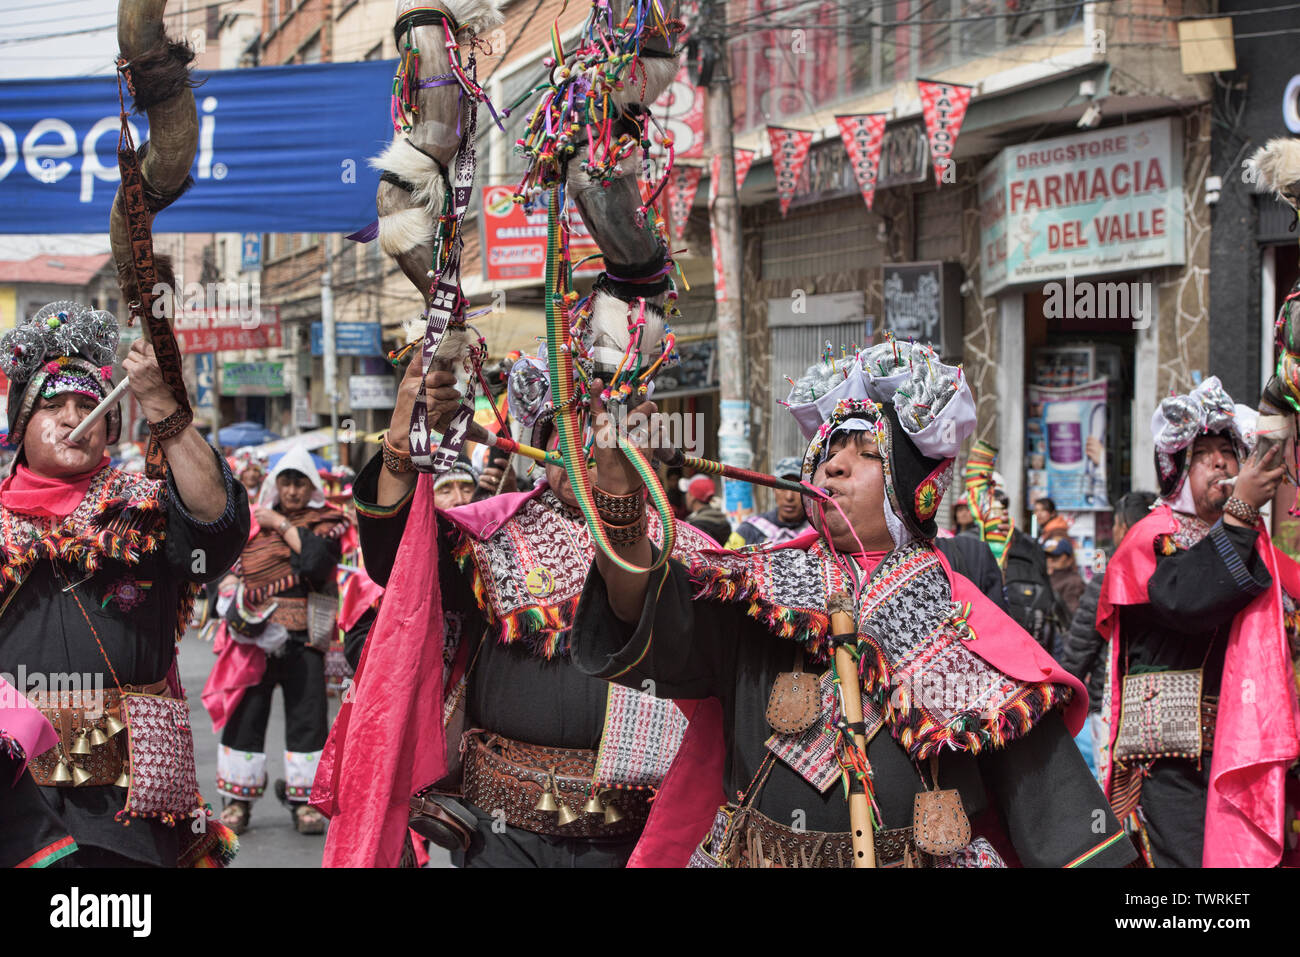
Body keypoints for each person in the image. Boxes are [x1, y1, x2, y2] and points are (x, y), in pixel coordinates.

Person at [571, 340, 1134, 868]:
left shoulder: (967, 633)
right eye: (826, 453)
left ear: (916, 492)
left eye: (866, 453)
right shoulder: (755, 592)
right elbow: (634, 602)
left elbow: (1065, 825)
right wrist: (620, 493)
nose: (832, 467)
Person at [313, 360, 716, 865]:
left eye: (597, 439)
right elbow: (399, 562)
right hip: (499, 833)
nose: (578, 454)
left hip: (636, 833)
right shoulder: (488, 535)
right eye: (561, 436)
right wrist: (402, 442)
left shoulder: (692, 555)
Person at [0, 301, 248, 868]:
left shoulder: (145, 509)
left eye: (88, 404)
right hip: (13, 807)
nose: (71, 418)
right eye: (52, 405)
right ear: (20, 422)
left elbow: (216, 534)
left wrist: (165, 408)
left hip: (128, 812)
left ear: (111, 422)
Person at [1098, 377, 1300, 867]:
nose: (1219, 462)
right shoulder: (1153, 537)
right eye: (1202, 453)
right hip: (1172, 764)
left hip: (1240, 746)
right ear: (1178, 472)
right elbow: (1185, 601)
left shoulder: (1259, 548)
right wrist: (1241, 511)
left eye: (1228, 451)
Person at [208, 444, 351, 837]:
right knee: (246, 716)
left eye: (300, 484)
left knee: (308, 720)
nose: (292, 492)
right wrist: (232, 582)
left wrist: (284, 526)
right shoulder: (251, 523)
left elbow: (315, 565)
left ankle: (305, 803)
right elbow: (224, 563)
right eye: (286, 483)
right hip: (253, 639)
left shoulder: (327, 524)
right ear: (275, 484)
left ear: (312, 488)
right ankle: (237, 801)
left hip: (305, 638)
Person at [1058, 490, 1157, 778]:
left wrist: (1061, 698)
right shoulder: (1170, 572)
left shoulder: (1112, 573)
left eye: (1115, 524)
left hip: (1113, 705)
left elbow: (1080, 648)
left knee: (1109, 784)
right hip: (1159, 703)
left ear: (1124, 527)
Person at [735, 456, 814, 546]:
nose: (789, 497)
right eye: (783, 487)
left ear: (808, 494)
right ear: (773, 490)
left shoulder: (817, 533)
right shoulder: (749, 530)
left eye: (797, 489)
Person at [1043, 536, 1086, 619]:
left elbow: (1070, 617)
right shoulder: (1045, 576)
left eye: (1055, 556)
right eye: (1046, 557)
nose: (1050, 560)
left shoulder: (1074, 582)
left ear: (1069, 560)